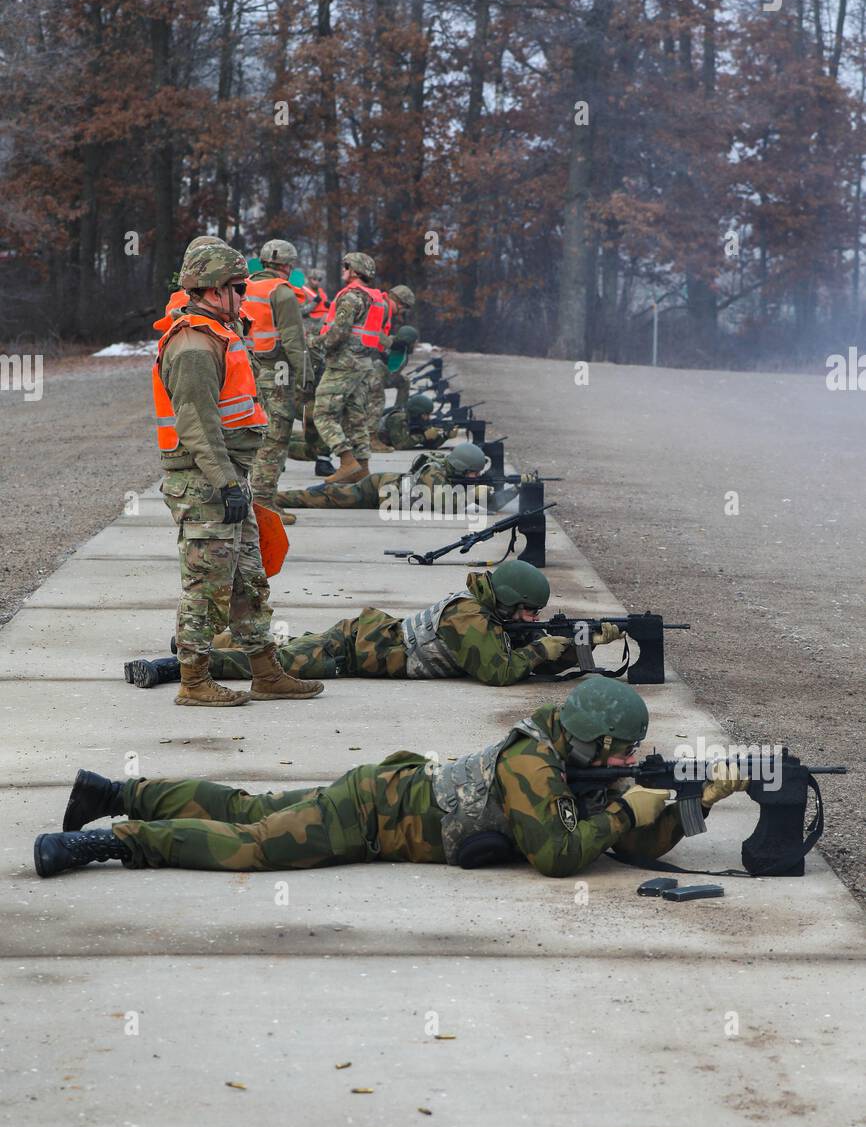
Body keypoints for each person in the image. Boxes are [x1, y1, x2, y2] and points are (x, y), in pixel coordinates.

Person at [33, 677, 748, 878]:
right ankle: (116, 841)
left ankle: (115, 790)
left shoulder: (571, 757)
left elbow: (624, 849)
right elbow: (562, 854)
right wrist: (629, 812)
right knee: (252, 841)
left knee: (252, 803)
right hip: (371, 817)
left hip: (384, 791)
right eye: (622, 755)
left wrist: (695, 806)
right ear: (594, 743)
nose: (628, 767)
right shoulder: (536, 765)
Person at [151, 237, 323, 707]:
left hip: (228, 478)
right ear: (212, 289)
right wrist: (226, 482)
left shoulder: (220, 332)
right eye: (238, 288)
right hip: (205, 481)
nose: (245, 296)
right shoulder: (191, 346)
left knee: (249, 577)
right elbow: (196, 424)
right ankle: (194, 680)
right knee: (206, 585)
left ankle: (266, 672)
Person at [124, 561, 623, 688]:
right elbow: (499, 671)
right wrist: (557, 648)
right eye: (530, 613)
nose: (533, 622)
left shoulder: (482, 609)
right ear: (511, 601)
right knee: (272, 663)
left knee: (284, 644)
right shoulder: (469, 616)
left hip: (362, 640)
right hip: (354, 652)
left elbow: (509, 651)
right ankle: (175, 665)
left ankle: (206, 641)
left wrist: (568, 641)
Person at [309, 251, 386, 484]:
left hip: (343, 364)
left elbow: (339, 333)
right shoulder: (374, 298)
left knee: (322, 412)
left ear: (355, 271)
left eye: (346, 265)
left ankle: (346, 460)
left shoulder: (351, 297)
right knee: (355, 416)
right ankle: (362, 467)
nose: (342, 269)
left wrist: (314, 342)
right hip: (363, 364)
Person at [243, 239, 308, 511]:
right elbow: (294, 341)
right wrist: (307, 378)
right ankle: (264, 503)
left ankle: (251, 497)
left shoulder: (243, 287)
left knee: (250, 435)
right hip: (277, 373)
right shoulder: (283, 293)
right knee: (276, 437)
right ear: (288, 266)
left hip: (247, 371)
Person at [274, 441, 487, 511]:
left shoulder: (447, 471)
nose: (475, 477)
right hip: (376, 489)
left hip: (387, 490)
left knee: (331, 495)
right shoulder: (434, 473)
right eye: (472, 474)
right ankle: (274, 498)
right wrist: (474, 494)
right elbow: (444, 502)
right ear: (459, 467)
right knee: (327, 497)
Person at [368, 287, 416, 450]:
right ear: (399, 301)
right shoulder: (384, 306)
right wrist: (391, 344)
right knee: (377, 397)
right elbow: (371, 330)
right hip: (361, 359)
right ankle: (371, 438)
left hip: (366, 357)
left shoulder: (382, 306)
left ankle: (396, 415)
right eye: (403, 308)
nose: (401, 313)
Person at [379, 392, 451, 450]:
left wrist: (445, 435)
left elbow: (430, 444)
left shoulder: (417, 421)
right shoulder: (399, 418)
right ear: (416, 413)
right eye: (425, 415)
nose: (428, 418)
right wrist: (423, 436)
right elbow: (399, 445)